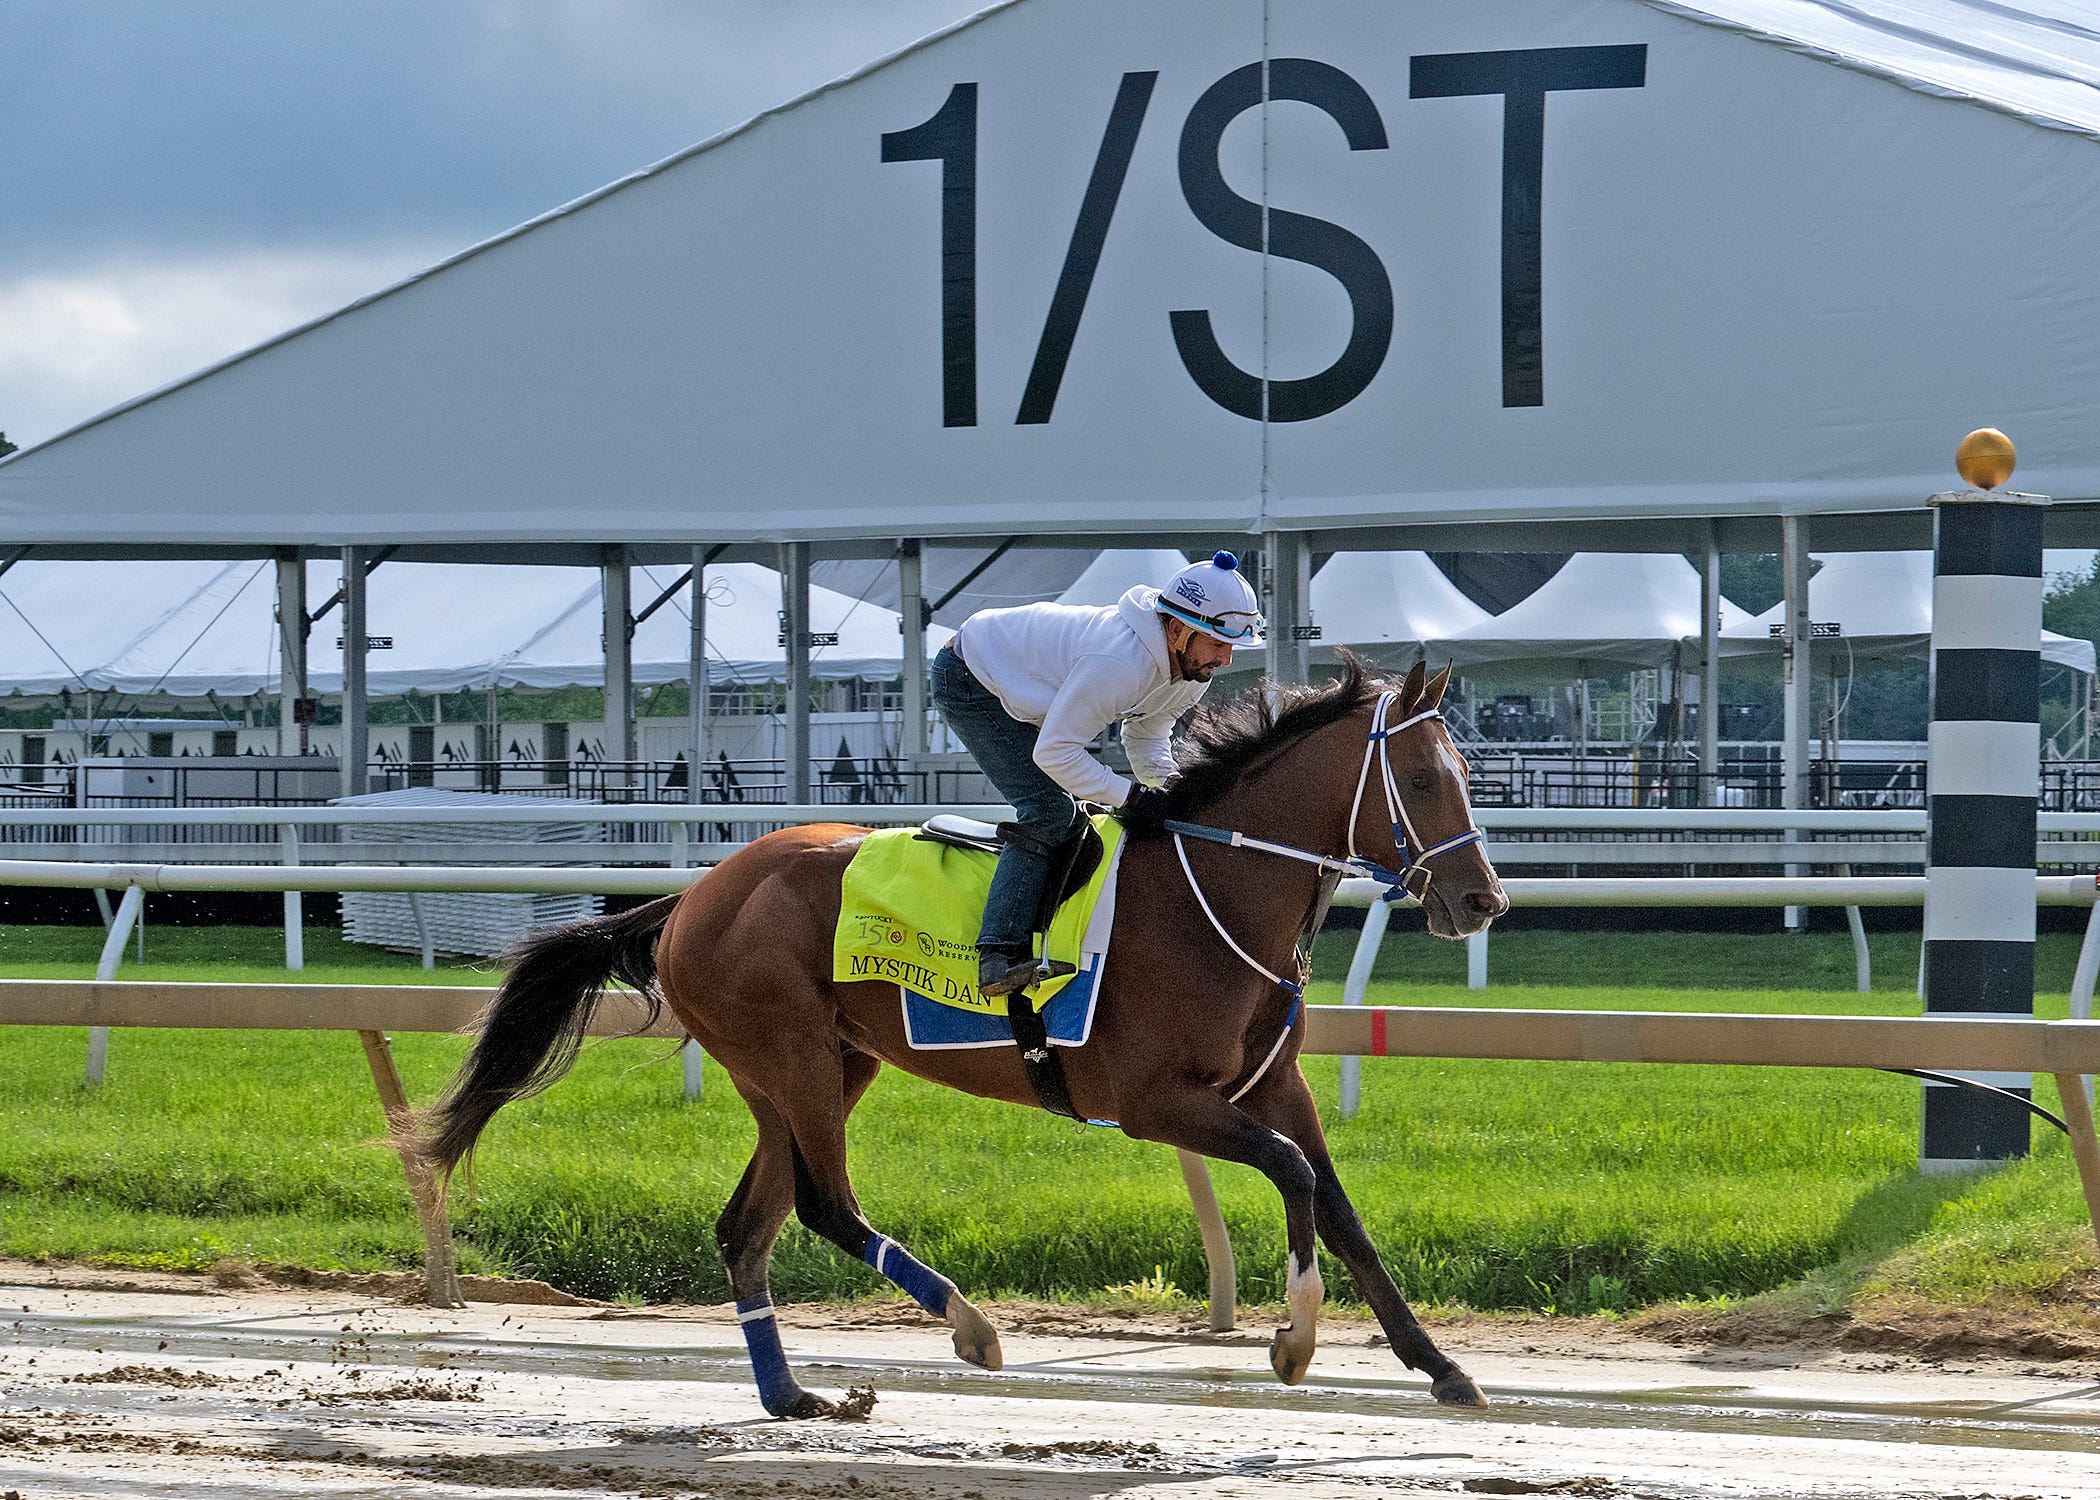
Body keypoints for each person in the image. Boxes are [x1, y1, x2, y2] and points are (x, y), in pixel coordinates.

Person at [930, 551, 1263, 998]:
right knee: (1050, 812)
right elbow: (1056, 752)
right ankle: (998, 954)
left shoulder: (1191, 671)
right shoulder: (1121, 663)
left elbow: (1146, 737)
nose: (1226, 659)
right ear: (1177, 630)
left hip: (1014, 674)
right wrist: (1130, 797)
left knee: (1070, 810)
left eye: (1232, 646)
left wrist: (1172, 791)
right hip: (968, 675)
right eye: (1218, 644)